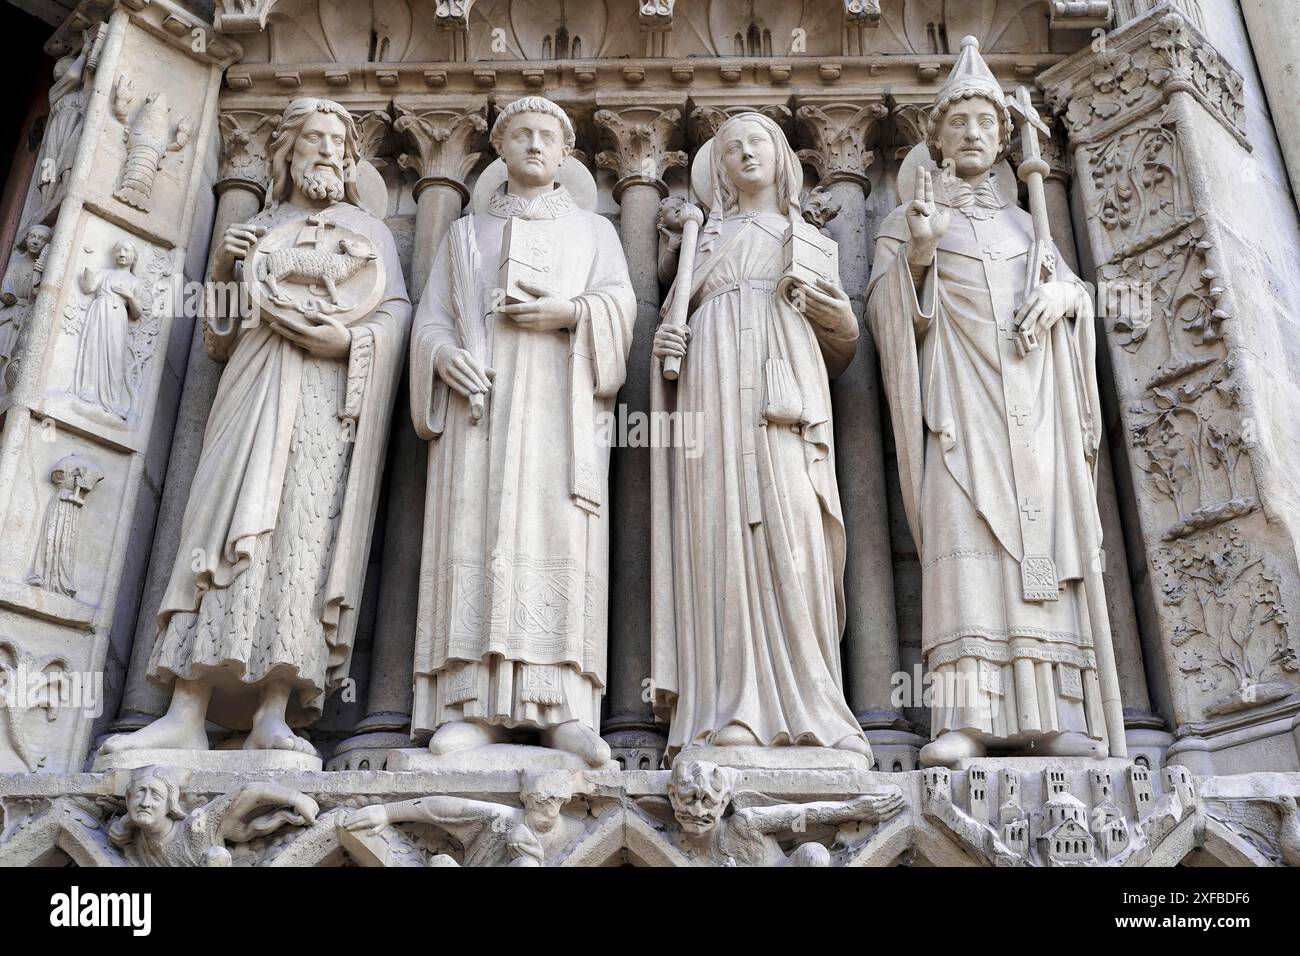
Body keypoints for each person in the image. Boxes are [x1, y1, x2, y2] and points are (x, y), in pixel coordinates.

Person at [866, 37, 1110, 767]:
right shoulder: (909, 219)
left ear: (1005, 141)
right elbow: (885, 315)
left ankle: (1055, 715)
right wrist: (917, 253)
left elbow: (1075, 298)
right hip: (957, 413)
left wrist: (1066, 296)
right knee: (964, 552)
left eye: (986, 123)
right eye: (959, 122)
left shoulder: (1026, 226)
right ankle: (965, 718)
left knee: (1042, 557)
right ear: (935, 138)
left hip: (1032, 415)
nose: (973, 133)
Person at [409, 96, 635, 768]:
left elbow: (621, 308)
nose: (535, 145)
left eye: (547, 136)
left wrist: (568, 312)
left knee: (558, 534)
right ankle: (470, 708)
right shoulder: (464, 236)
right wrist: (444, 356)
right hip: (479, 416)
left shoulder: (595, 233)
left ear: (565, 155)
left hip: (560, 410)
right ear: (500, 151)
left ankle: (562, 708)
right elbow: (429, 321)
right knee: (474, 536)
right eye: (521, 135)